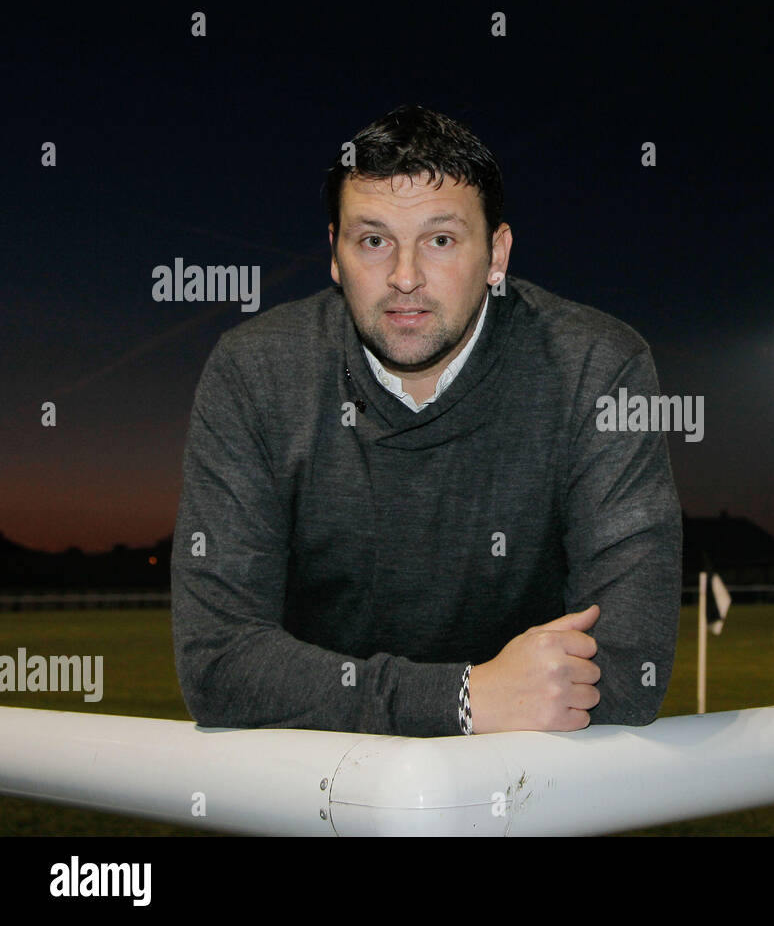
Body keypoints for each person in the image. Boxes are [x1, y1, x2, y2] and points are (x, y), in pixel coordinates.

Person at [170, 104, 682, 737]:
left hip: (526, 801)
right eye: (374, 240)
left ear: (497, 254)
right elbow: (217, 664)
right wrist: (462, 699)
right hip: (318, 795)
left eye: (440, 240)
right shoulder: (253, 373)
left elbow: (631, 672)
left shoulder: (597, 368)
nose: (404, 277)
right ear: (335, 254)